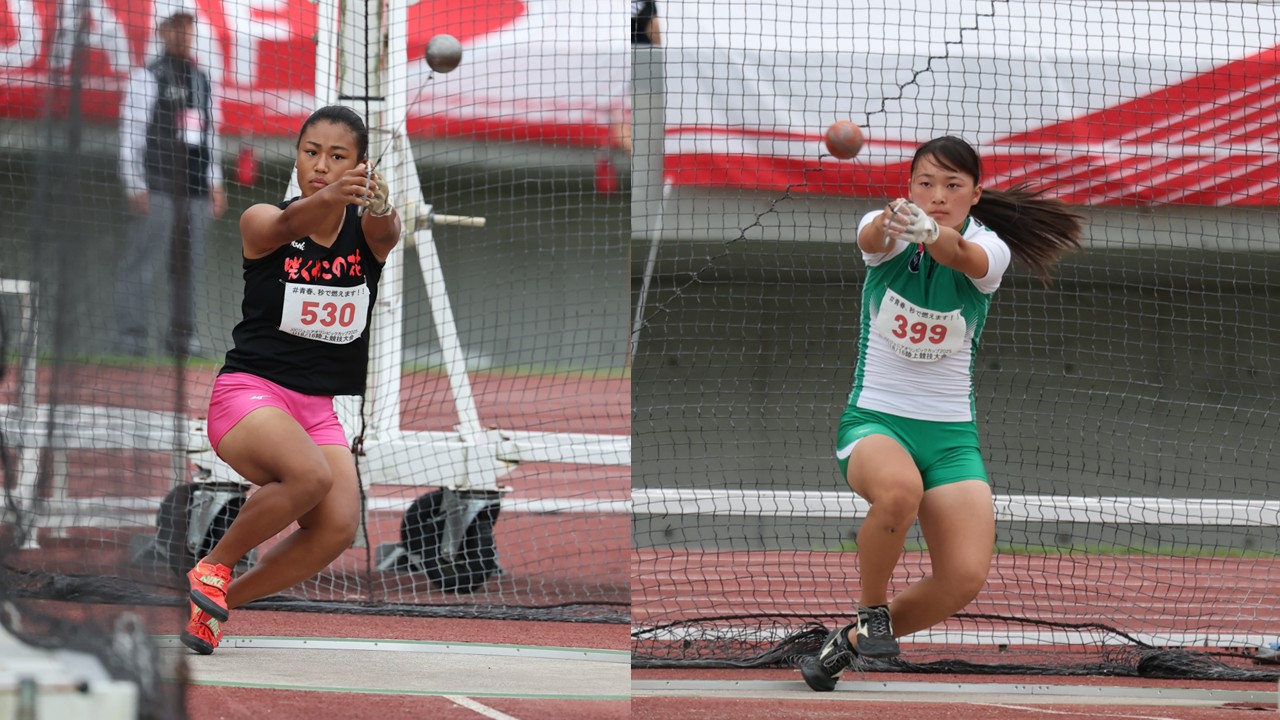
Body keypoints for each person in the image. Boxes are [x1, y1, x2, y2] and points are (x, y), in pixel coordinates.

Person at [801, 136, 1084, 691]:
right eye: (925, 184)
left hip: (951, 437)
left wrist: (935, 235)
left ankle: (847, 646)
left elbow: (960, 256)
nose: (937, 196)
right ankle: (870, 610)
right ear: (908, 189)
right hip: (875, 423)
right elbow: (869, 235)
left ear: (975, 194)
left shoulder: (989, 248)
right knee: (899, 492)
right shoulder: (885, 233)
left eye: (953, 186)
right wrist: (895, 224)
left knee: (963, 577)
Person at [180, 105, 401, 654]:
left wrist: (384, 203)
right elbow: (292, 222)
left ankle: (216, 604)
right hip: (249, 395)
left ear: (361, 164)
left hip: (315, 410)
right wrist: (335, 195)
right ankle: (213, 566)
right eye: (311, 152)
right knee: (309, 478)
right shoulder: (262, 221)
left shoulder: (364, 237)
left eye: (337, 156)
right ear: (298, 156)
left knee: (337, 527)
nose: (321, 165)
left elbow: (386, 231)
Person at [115, 6, 227, 356]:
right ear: (162, 32)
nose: (184, 35)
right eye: (176, 28)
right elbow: (130, 134)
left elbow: (211, 136)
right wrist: (135, 184)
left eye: (189, 29)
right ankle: (130, 338)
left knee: (188, 267)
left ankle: (182, 337)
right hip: (158, 185)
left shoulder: (202, 79)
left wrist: (216, 182)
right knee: (142, 262)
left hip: (195, 190)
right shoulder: (146, 78)